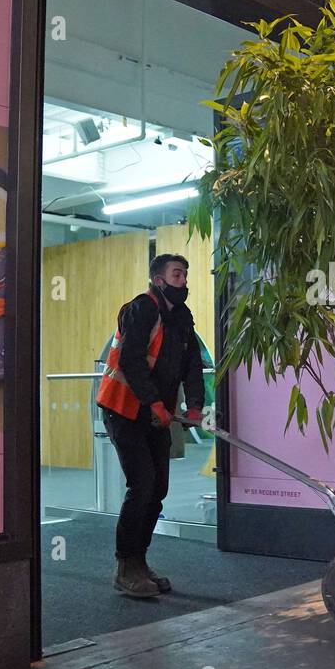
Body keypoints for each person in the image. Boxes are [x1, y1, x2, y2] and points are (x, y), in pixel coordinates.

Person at [97, 254, 205, 598]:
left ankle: (140, 562)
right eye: (177, 274)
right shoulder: (141, 309)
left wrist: (196, 406)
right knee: (141, 484)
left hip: (155, 414)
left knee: (158, 489)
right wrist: (156, 403)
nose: (183, 280)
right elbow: (130, 360)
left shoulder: (182, 317)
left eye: (185, 274)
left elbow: (191, 365)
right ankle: (125, 566)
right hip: (123, 409)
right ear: (159, 280)